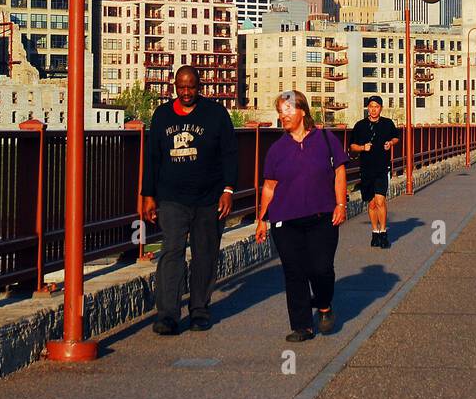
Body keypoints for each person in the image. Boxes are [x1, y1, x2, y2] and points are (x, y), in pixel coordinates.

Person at [142, 65, 238, 335]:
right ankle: (168, 314)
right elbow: (152, 158)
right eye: (181, 87)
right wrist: (147, 196)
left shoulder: (216, 114)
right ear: (174, 86)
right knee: (171, 252)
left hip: (209, 197)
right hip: (172, 197)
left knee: (204, 255)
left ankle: (199, 310)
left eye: (191, 87)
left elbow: (230, 154)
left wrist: (228, 190)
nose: (186, 92)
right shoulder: (162, 115)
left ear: (200, 86)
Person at [255, 90, 348, 342]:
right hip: (285, 220)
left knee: (321, 268)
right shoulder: (276, 150)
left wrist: (341, 203)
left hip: (322, 216)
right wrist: (262, 219)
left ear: (302, 111)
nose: (282, 116)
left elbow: (339, 173)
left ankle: (324, 304)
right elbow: (269, 186)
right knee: (294, 272)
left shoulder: (326, 139)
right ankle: (302, 326)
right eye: (280, 112)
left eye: (287, 110)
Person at [348, 96, 400, 248]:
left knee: (380, 201)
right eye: (371, 106)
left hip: (382, 168)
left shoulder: (387, 123)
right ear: (367, 108)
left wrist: (390, 143)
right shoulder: (360, 126)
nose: (373, 109)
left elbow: (396, 138)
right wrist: (363, 148)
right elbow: (352, 146)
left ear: (381, 108)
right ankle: (375, 233)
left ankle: (383, 233)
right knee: (371, 204)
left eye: (376, 106)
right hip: (366, 170)